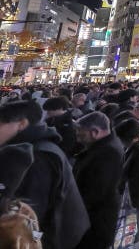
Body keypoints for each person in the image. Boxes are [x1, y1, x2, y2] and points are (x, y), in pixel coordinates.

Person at [0, 100, 89, 249]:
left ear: (21, 124)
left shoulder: (37, 157)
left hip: (50, 237)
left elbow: (32, 214)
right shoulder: (33, 147)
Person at [73, 111, 124, 249]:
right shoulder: (105, 146)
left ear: (95, 132)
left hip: (94, 223)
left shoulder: (108, 154)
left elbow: (95, 192)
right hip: (93, 220)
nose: (78, 139)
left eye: (81, 134)